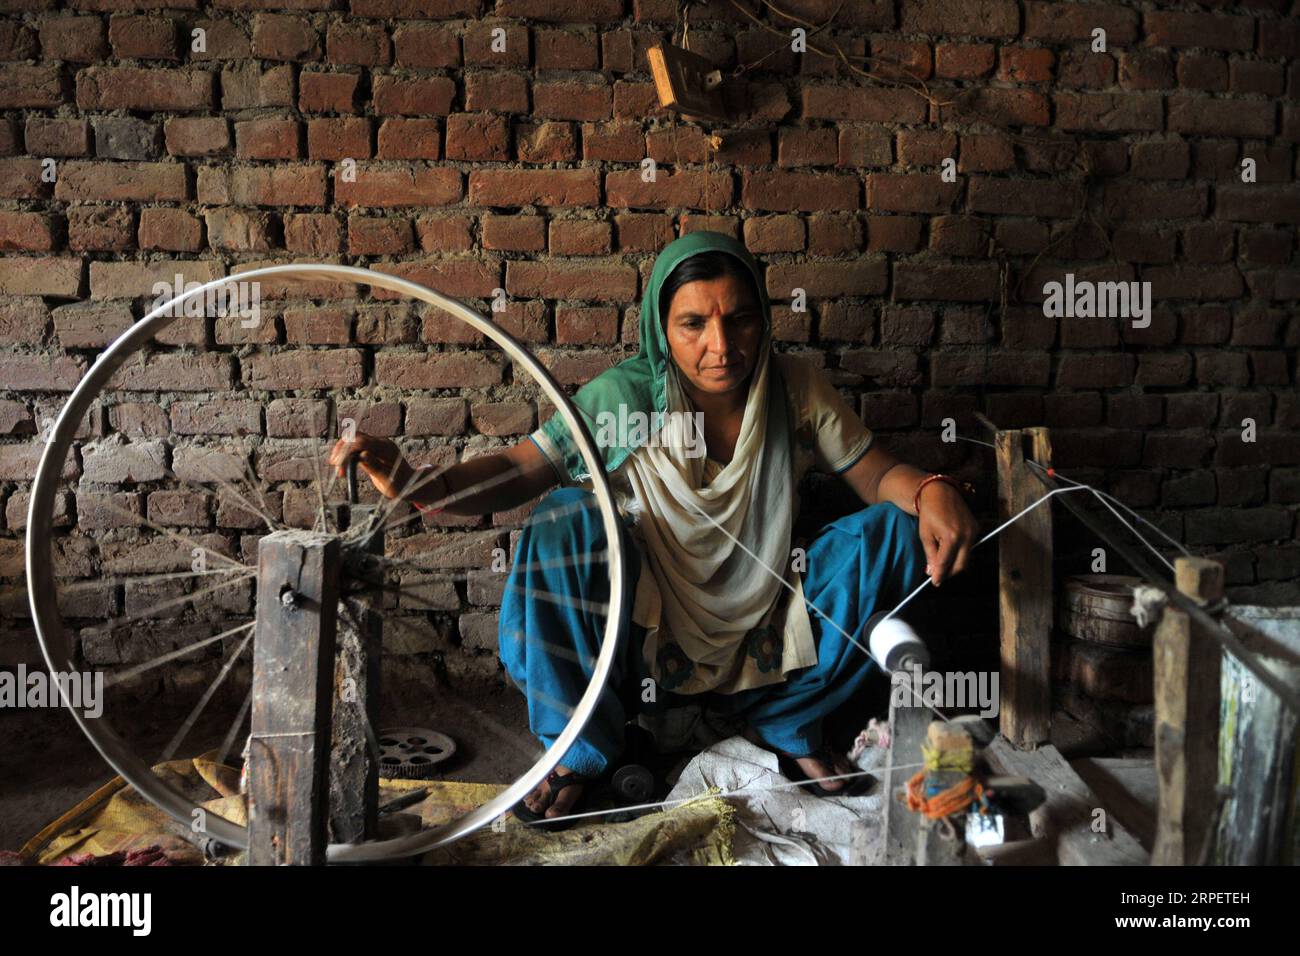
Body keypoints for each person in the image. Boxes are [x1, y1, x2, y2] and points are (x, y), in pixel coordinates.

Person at [330, 231, 978, 826]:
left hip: (767, 615)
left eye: (740, 318)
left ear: (763, 319)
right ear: (661, 330)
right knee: (564, 520)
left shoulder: (791, 388)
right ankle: (579, 750)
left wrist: (931, 490)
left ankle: (787, 718)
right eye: (693, 323)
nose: (721, 346)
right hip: (651, 629)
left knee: (893, 531)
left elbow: (872, 472)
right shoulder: (629, 398)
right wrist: (423, 486)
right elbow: (520, 470)